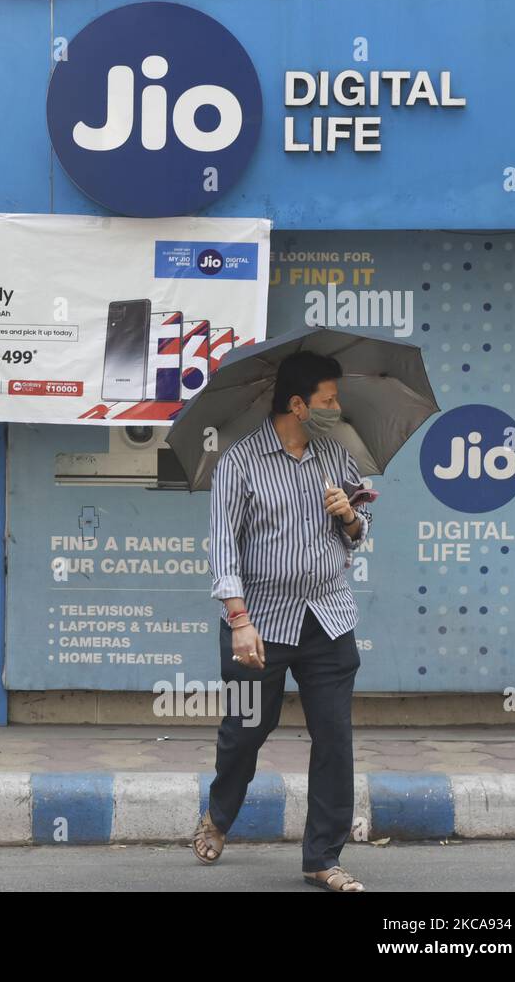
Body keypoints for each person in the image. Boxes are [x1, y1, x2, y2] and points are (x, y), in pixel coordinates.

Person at [194, 350, 373, 892]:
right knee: (247, 730)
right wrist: (239, 619)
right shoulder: (241, 463)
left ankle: (322, 857)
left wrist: (350, 516)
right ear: (297, 404)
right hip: (261, 625)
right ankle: (220, 816)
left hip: (328, 618)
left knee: (335, 737)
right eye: (328, 400)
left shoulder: (336, 457)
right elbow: (223, 548)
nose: (336, 407)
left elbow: (362, 528)